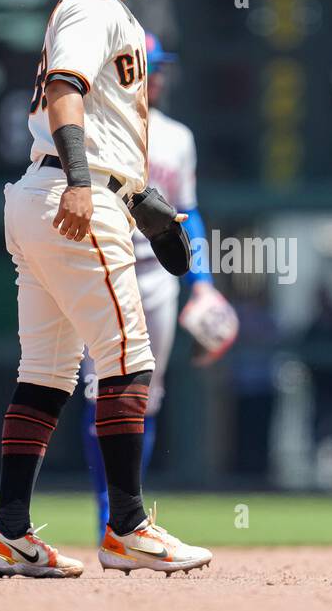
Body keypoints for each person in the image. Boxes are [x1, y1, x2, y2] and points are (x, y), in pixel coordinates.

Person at [0, 0, 212, 578]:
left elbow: (102, 124)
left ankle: (10, 534)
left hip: (48, 196)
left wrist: (140, 200)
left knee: (46, 376)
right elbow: (64, 89)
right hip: (70, 195)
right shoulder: (90, 4)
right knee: (130, 358)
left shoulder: (111, 11)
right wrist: (85, 182)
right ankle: (129, 529)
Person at [80, 33, 238, 542]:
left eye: (162, 66)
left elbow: (188, 218)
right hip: (102, 267)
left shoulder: (178, 137)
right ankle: (111, 510)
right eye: (151, 66)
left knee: (146, 396)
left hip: (157, 274)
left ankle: (129, 511)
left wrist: (205, 286)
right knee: (98, 391)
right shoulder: (93, 127)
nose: (160, 75)